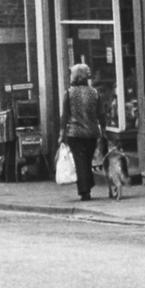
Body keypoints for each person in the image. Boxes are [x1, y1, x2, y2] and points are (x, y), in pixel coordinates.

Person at [59, 62, 108, 201]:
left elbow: (65, 115)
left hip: (74, 133)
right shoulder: (94, 93)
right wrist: (103, 129)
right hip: (91, 133)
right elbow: (101, 114)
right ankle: (88, 184)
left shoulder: (69, 93)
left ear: (75, 76)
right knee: (87, 159)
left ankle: (84, 190)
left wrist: (61, 132)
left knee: (80, 161)